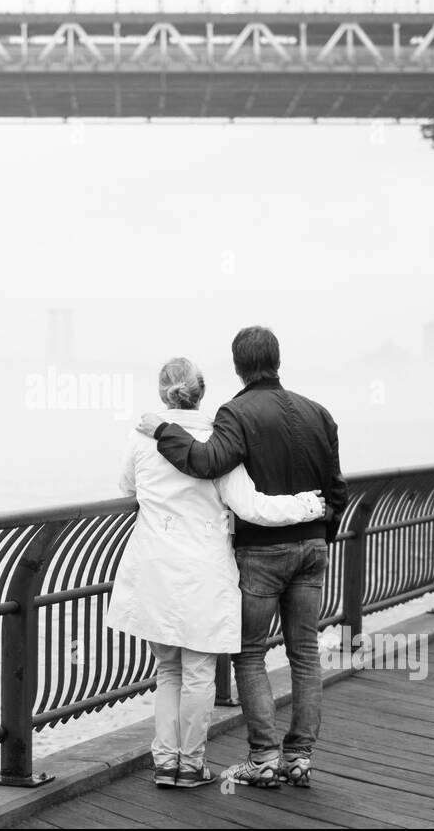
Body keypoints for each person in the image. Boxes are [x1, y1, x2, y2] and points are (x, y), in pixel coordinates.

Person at [137, 328, 348, 789]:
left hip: (260, 551)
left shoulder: (237, 413)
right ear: (278, 359)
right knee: (306, 653)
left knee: (250, 653)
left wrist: (163, 431)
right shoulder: (319, 412)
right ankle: (300, 759)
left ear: (236, 366)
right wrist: (320, 537)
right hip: (312, 547)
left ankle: (264, 759)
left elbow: (208, 462)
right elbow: (337, 490)